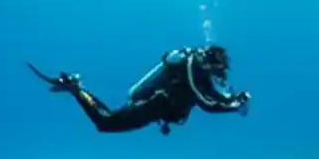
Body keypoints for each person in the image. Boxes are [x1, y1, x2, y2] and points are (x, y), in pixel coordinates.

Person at [28, 45, 251, 135]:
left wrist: (234, 99)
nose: (218, 75)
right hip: (153, 106)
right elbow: (207, 104)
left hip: (159, 110)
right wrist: (234, 107)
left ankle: (75, 88)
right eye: (216, 69)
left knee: (109, 119)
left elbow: (213, 96)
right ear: (208, 63)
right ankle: (76, 88)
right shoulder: (192, 69)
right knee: (105, 123)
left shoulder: (201, 75)